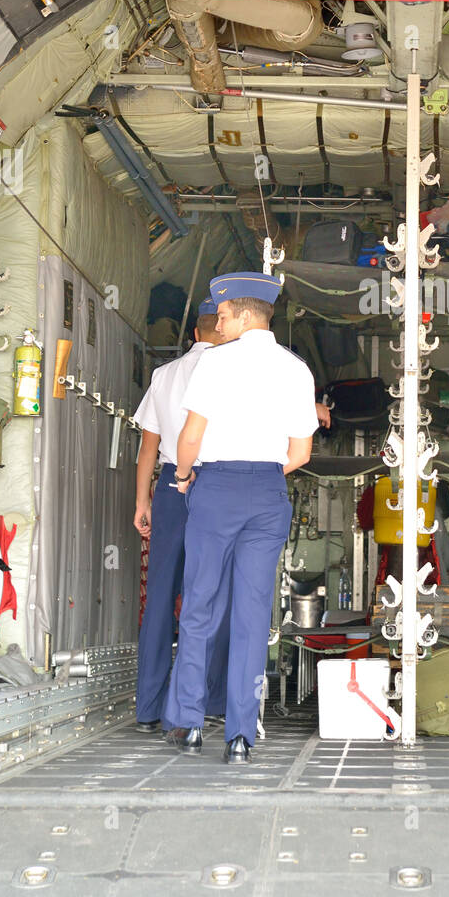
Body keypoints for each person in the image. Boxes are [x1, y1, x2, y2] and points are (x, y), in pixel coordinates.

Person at [163, 271, 319, 764]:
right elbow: (301, 451)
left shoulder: (216, 363)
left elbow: (189, 436)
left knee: (200, 605)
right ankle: (240, 736)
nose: (219, 323)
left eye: (225, 315)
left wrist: (185, 476)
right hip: (269, 490)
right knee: (253, 614)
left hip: (217, 488)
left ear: (245, 314)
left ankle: (188, 724)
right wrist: (263, 467)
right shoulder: (297, 370)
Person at [132, 297, 229, 731]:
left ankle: (149, 707)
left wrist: (143, 501)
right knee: (212, 593)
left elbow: (148, 446)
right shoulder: (232, 374)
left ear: (194, 333)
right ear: (225, 330)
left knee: (159, 598)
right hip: (218, 485)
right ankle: (209, 698)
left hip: (170, 486)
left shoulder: (165, 374)